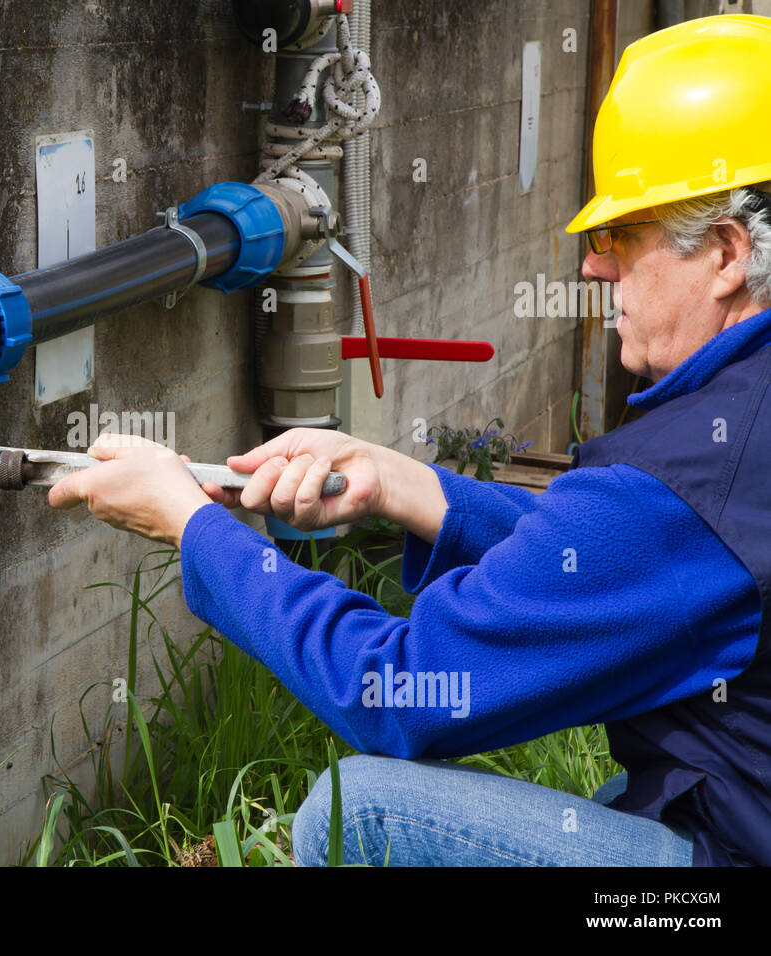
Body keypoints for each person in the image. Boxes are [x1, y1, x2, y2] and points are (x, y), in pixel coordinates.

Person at [47, 14, 771, 866]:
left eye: (619, 236)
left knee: (362, 813)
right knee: (626, 801)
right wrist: (404, 486)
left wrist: (194, 529)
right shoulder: (726, 450)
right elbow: (629, 558)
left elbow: (397, 691)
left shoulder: (691, 477)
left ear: (725, 254)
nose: (592, 268)